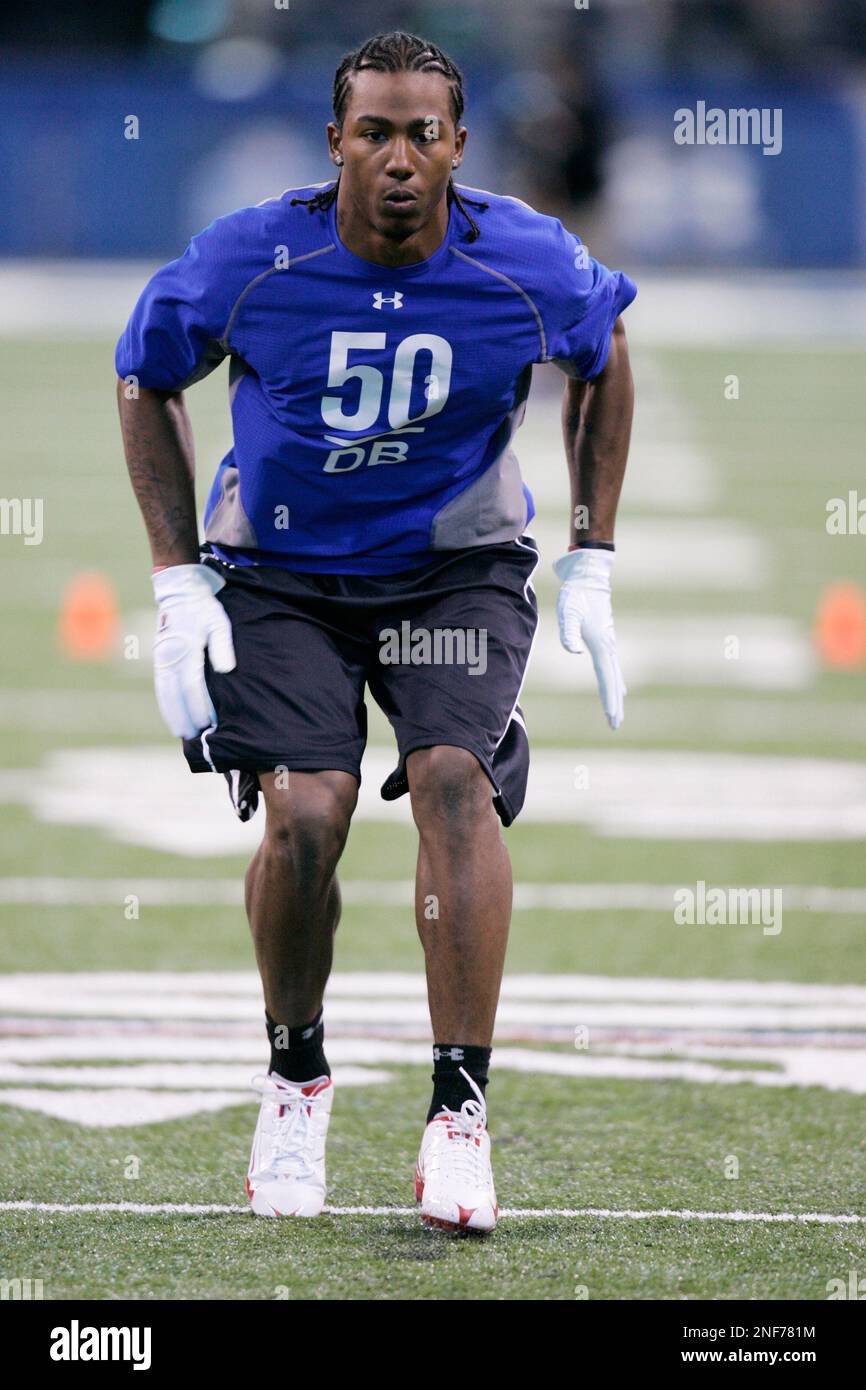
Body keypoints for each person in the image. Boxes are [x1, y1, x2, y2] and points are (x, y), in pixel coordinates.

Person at [115, 30, 635, 1233]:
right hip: (283, 572)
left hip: (452, 569)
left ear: (457, 144)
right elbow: (146, 371)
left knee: (454, 778)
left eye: (422, 134)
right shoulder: (254, 254)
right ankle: (295, 1077)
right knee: (305, 812)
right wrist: (174, 580)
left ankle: (459, 1109)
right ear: (334, 143)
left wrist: (591, 552)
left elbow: (602, 347)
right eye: (374, 133)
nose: (399, 158)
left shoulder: (519, 257)